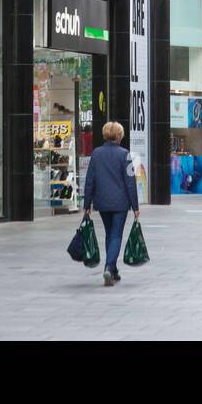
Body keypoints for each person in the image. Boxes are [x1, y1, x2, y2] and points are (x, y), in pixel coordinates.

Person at [83, 121, 140, 286]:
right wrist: (135, 206)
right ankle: (109, 267)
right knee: (116, 235)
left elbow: (90, 181)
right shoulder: (125, 154)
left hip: (102, 201)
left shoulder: (96, 153)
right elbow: (130, 182)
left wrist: (87, 204)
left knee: (110, 234)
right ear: (120, 136)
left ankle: (113, 271)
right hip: (120, 202)